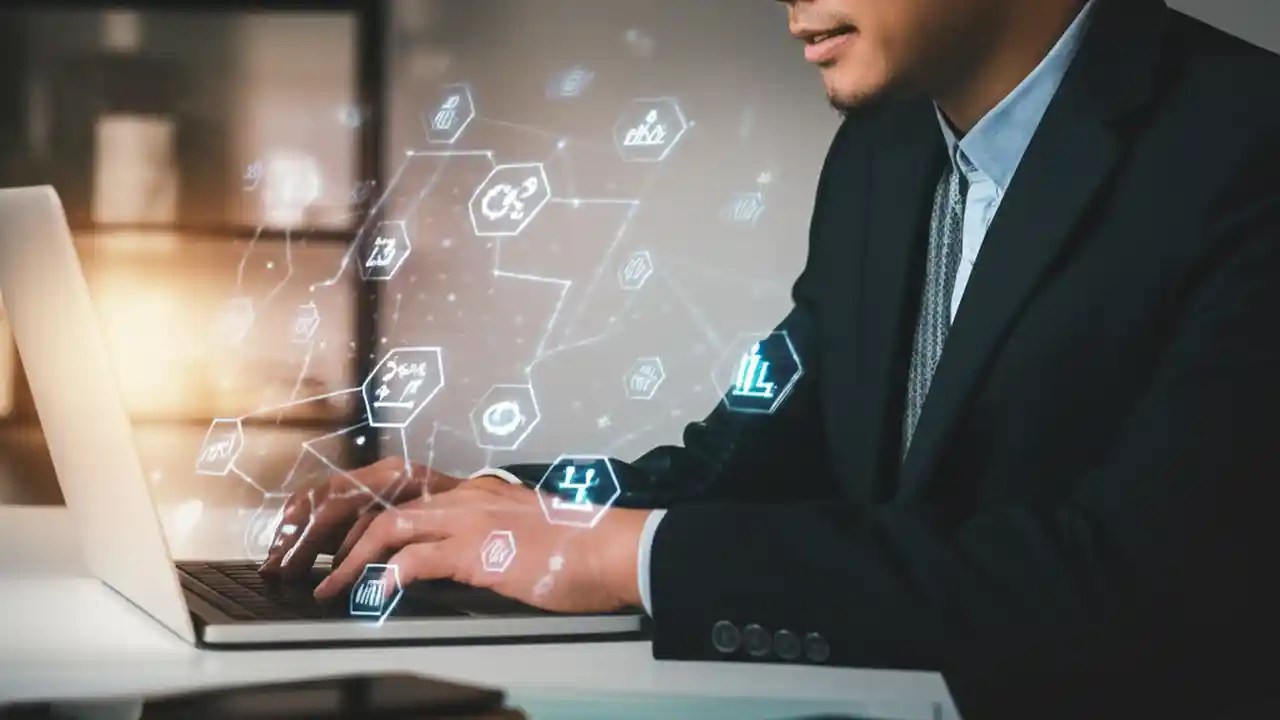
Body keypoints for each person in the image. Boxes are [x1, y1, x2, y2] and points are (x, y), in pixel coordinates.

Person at [261, 0, 1280, 715]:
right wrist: (492, 509)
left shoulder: (1244, 141)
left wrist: (626, 557)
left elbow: (1133, 590)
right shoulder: (881, 154)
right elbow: (742, 465)